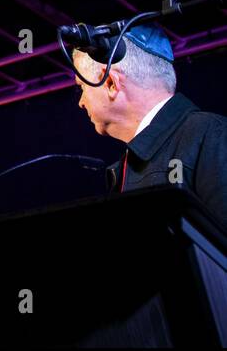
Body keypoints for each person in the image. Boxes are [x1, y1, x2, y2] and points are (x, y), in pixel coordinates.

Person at [72, 24, 227, 228]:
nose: (81, 102)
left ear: (111, 83)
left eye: (81, 87)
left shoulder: (212, 134)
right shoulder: (128, 164)